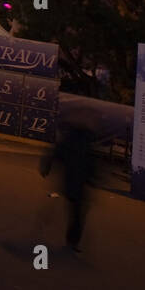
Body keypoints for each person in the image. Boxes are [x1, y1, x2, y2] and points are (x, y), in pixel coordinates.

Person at [41, 107, 99, 251]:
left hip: (70, 180)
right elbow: (92, 163)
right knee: (78, 213)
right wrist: (94, 179)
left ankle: (72, 240)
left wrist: (47, 167)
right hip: (80, 182)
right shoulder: (87, 142)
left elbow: (55, 154)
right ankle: (73, 241)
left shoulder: (69, 139)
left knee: (75, 211)